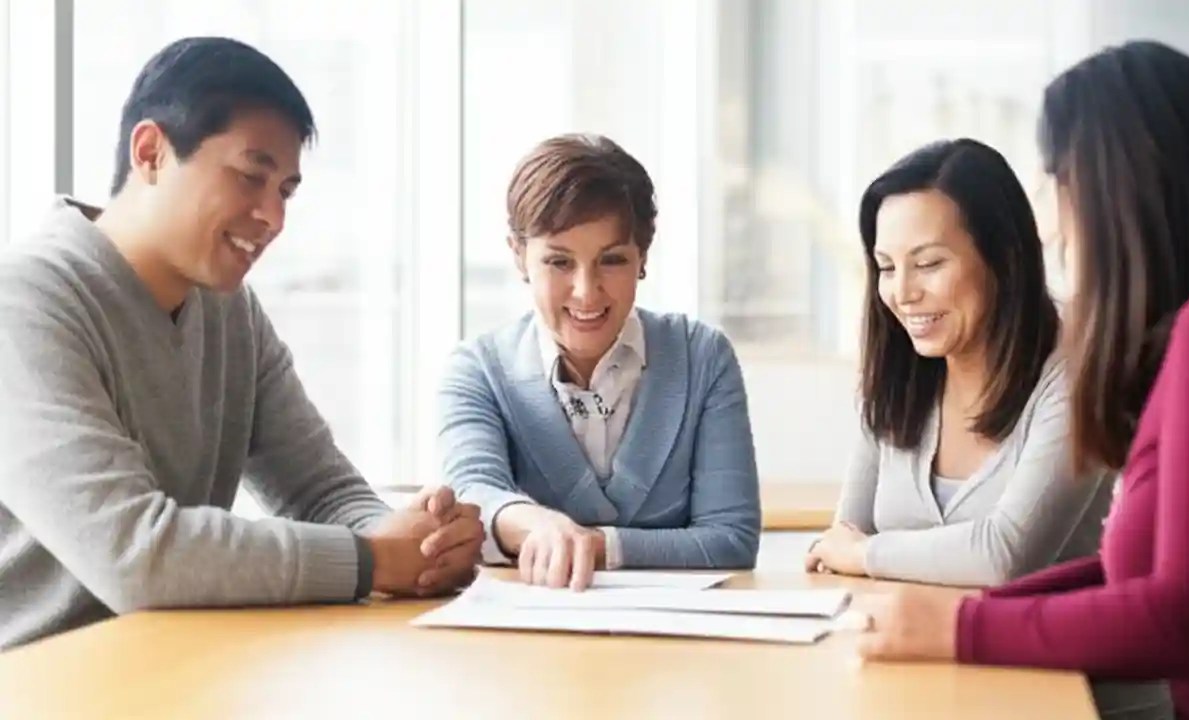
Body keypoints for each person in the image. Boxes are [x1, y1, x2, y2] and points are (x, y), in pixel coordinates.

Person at [0, 37, 482, 650]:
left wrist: (422, 544)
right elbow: (134, 555)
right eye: (251, 176)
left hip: (167, 671)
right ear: (150, 153)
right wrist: (376, 558)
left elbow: (320, 489)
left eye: (285, 190)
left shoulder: (228, 309)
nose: (274, 218)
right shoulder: (24, 303)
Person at [853, 41, 1189, 720]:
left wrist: (960, 628)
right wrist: (978, 610)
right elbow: (1137, 576)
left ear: (1125, 188)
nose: (1052, 225)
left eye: (1062, 183)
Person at [440, 133, 761, 590]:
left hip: (677, 643)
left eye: (612, 260)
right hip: (527, 644)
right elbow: (474, 495)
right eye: (559, 262)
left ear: (643, 257)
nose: (586, 292)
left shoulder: (703, 357)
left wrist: (595, 545)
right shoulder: (478, 370)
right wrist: (539, 527)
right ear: (519, 255)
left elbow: (731, 538)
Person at [805, 139, 1110, 589]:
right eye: (887, 268)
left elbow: (1005, 557)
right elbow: (841, 543)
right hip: (905, 648)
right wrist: (855, 554)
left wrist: (866, 554)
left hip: (1034, 655)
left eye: (928, 264)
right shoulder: (897, 375)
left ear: (1003, 257)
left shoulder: (1077, 370)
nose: (903, 293)